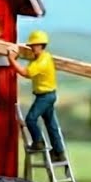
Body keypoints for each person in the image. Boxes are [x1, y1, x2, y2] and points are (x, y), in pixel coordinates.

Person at [7, 30, 66, 163]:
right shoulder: (43, 58)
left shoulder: (41, 62)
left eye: (33, 45)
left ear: (40, 45)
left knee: (31, 119)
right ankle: (58, 152)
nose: (31, 48)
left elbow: (25, 72)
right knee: (51, 125)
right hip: (48, 95)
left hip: (45, 97)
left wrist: (11, 59)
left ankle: (38, 142)